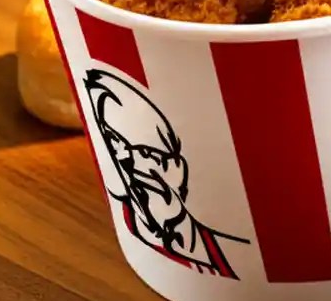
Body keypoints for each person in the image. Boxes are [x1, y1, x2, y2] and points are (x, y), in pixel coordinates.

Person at [84, 69, 244, 279]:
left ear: (178, 167)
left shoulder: (233, 252)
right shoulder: (132, 225)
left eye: (145, 151)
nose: (129, 161)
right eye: (114, 143)